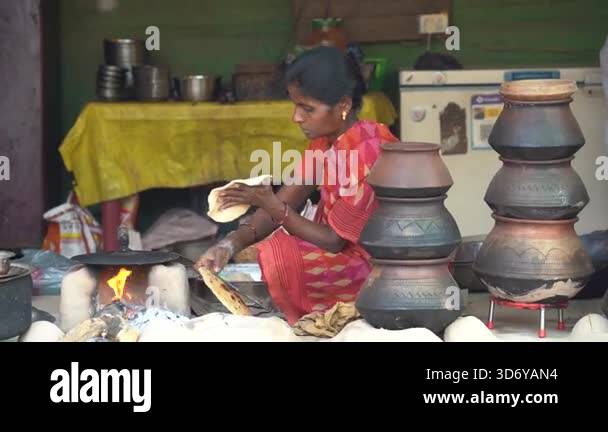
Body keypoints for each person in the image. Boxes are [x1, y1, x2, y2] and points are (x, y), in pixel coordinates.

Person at [195, 47, 399, 324]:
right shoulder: (325, 143)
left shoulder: (366, 149)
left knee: (280, 258)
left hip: (382, 272)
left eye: (307, 108)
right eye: (296, 106)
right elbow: (287, 199)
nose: (296, 118)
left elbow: (333, 241)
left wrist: (271, 204)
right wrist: (228, 245)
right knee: (274, 248)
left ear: (343, 105)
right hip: (350, 256)